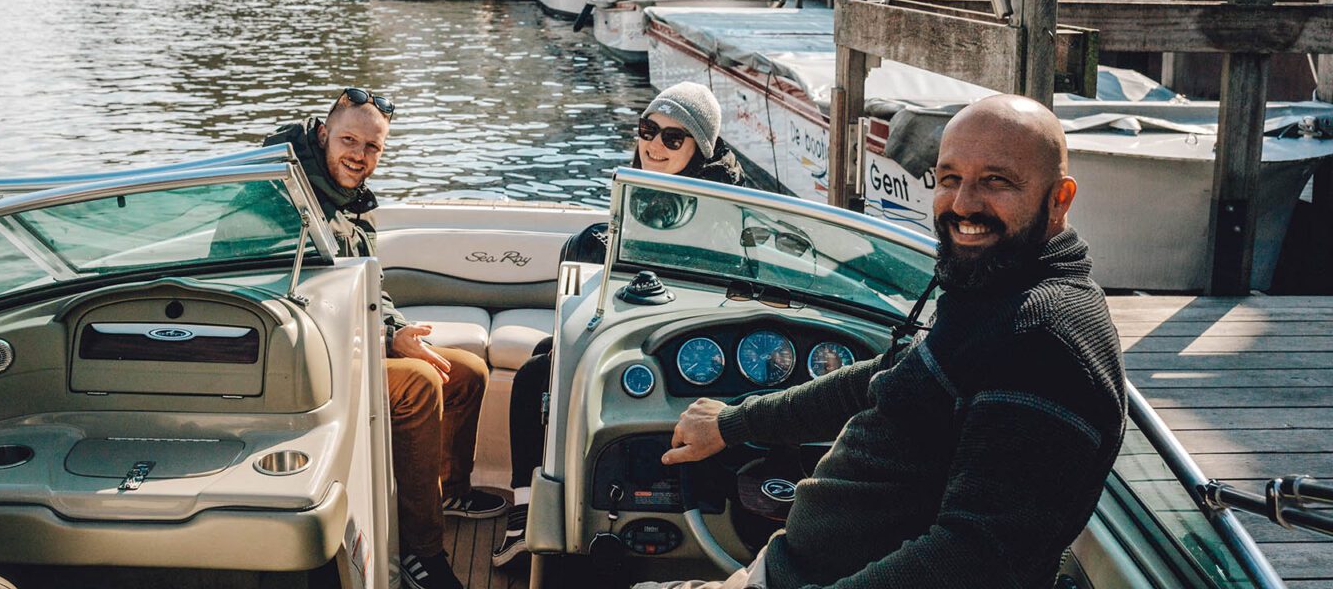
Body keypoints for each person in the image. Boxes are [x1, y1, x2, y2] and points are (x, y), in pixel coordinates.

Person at [642, 95, 1125, 589]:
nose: (962, 205)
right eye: (949, 179)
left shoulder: (1042, 341)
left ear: (1059, 198)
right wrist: (733, 422)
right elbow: (880, 378)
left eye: (995, 181)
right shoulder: (997, 292)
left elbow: (975, 557)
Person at [494, 83, 746, 569]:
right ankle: (528, 512)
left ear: (701, 148)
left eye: (674, 138)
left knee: (540, 375)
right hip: (632, 332)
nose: (655, 145)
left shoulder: (725, 207)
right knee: (538, 372)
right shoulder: (635, 188)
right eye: (649, 130)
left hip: (693, 346)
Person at [261, 92, 504, 589]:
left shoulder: (348, 202)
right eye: (350, 140)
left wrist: (394, 331)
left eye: (373, 147)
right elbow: (296, 303)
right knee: (417, 384)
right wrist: (389, 339)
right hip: (304, 360)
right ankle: (422, 551)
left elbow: (371, 290)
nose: (360, 155)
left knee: (467, 374)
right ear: (324, 134)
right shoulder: (284, 198)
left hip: (352, 342)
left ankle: (447, 493)